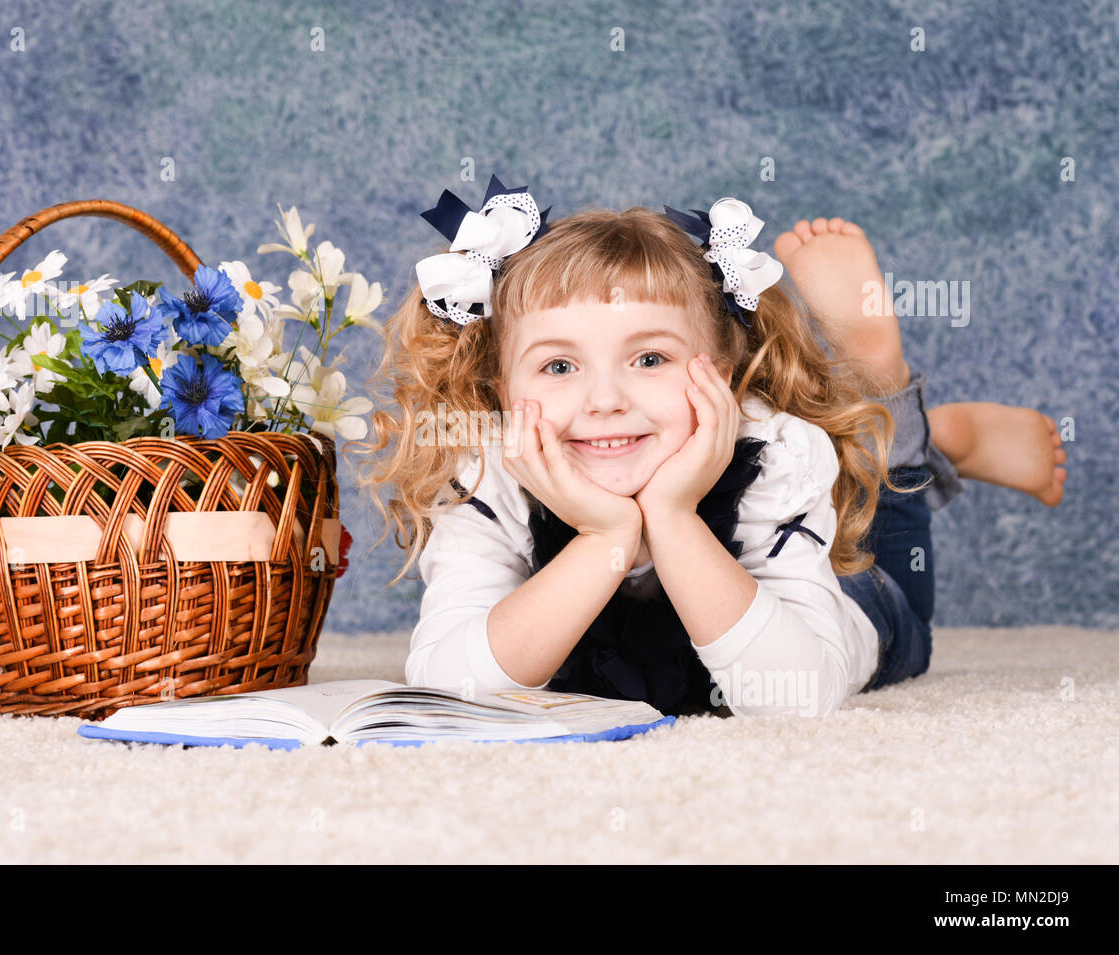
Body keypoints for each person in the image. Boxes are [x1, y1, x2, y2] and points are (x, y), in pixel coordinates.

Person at [355, 175, 1068, 718]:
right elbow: (450, 686)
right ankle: (886, 429)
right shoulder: (488, 474)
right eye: (560, 366)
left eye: (650, 360)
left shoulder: (775, 451)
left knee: (899, 605)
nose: (605, 401)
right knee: (851, 461)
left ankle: (886, 404)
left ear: (719, 377)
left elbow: (796, 694)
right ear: (502, 392)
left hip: (830, 601)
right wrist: (608, 535)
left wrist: (672, 517)